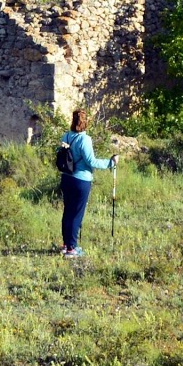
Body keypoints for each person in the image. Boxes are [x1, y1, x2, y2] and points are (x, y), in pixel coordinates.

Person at [59, 107, 118, 258]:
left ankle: (66, 245)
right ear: (86, 122)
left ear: (73, 121)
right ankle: (71, 249)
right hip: (81, 180)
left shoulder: (66, 136)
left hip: (66, 178)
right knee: (76, 214)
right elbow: (91, 161)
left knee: (68, 212)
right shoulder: (85, 139)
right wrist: (110, 163)